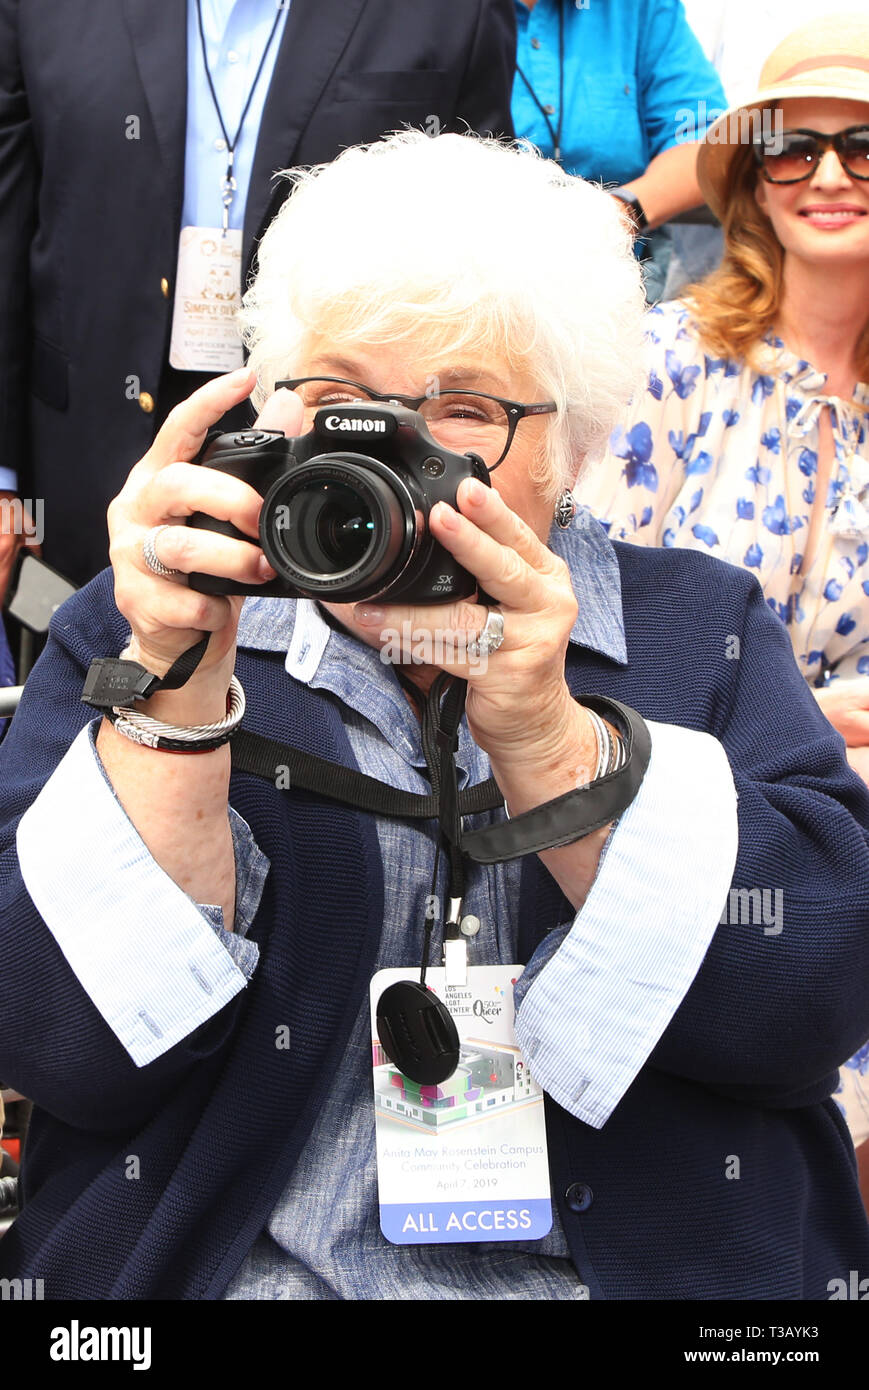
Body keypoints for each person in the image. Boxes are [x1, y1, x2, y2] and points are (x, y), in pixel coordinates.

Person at [0, 131, 867, 1302]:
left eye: (460, 405)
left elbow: (808, 1001)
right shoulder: (157, 612)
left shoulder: (691, 627)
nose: (388, 453)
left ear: (569, 447)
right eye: (342, 397)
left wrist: (560, 748)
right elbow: (60, 1046)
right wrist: (170, 689)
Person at [584, 12, 869, 1196]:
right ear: (752, 182)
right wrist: (794, 716)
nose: (828, 177)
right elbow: (591, 627)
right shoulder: (659, 362)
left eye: (864, 149)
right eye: (791, 150)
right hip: (669, 806)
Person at [0, 0, 516, 592]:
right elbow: (8, 223)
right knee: (74, 650)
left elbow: (479, 249)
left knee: (283, 673)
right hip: (80, 448)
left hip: (334, 459)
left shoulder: (458, 12)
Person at [511, 0, 726, 301]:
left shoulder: (640, 8)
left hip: (611, 285)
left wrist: (621, 212)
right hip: (465, 284)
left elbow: (709, 140)